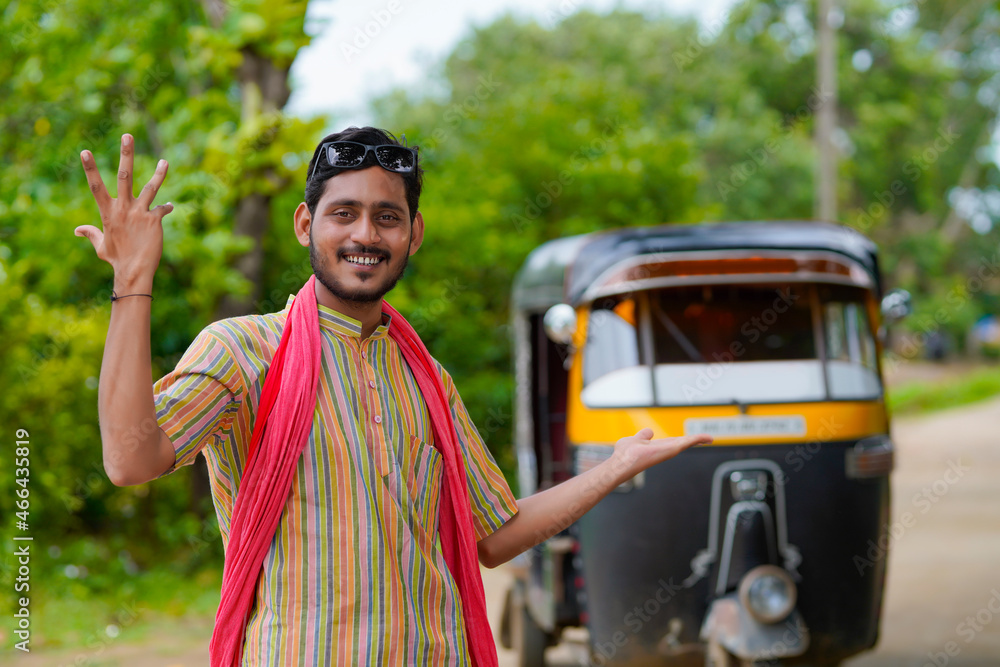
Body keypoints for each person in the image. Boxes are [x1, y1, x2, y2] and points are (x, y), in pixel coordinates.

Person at [75, 127, 712, 666]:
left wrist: (616, 467)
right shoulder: (243, 350)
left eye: (387, 216)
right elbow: (131, 460)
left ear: (413, 233)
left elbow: (494, 536)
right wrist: (133, 284)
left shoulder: (423, 376)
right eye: (343, 212)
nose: (366, 234)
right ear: (306, 225)